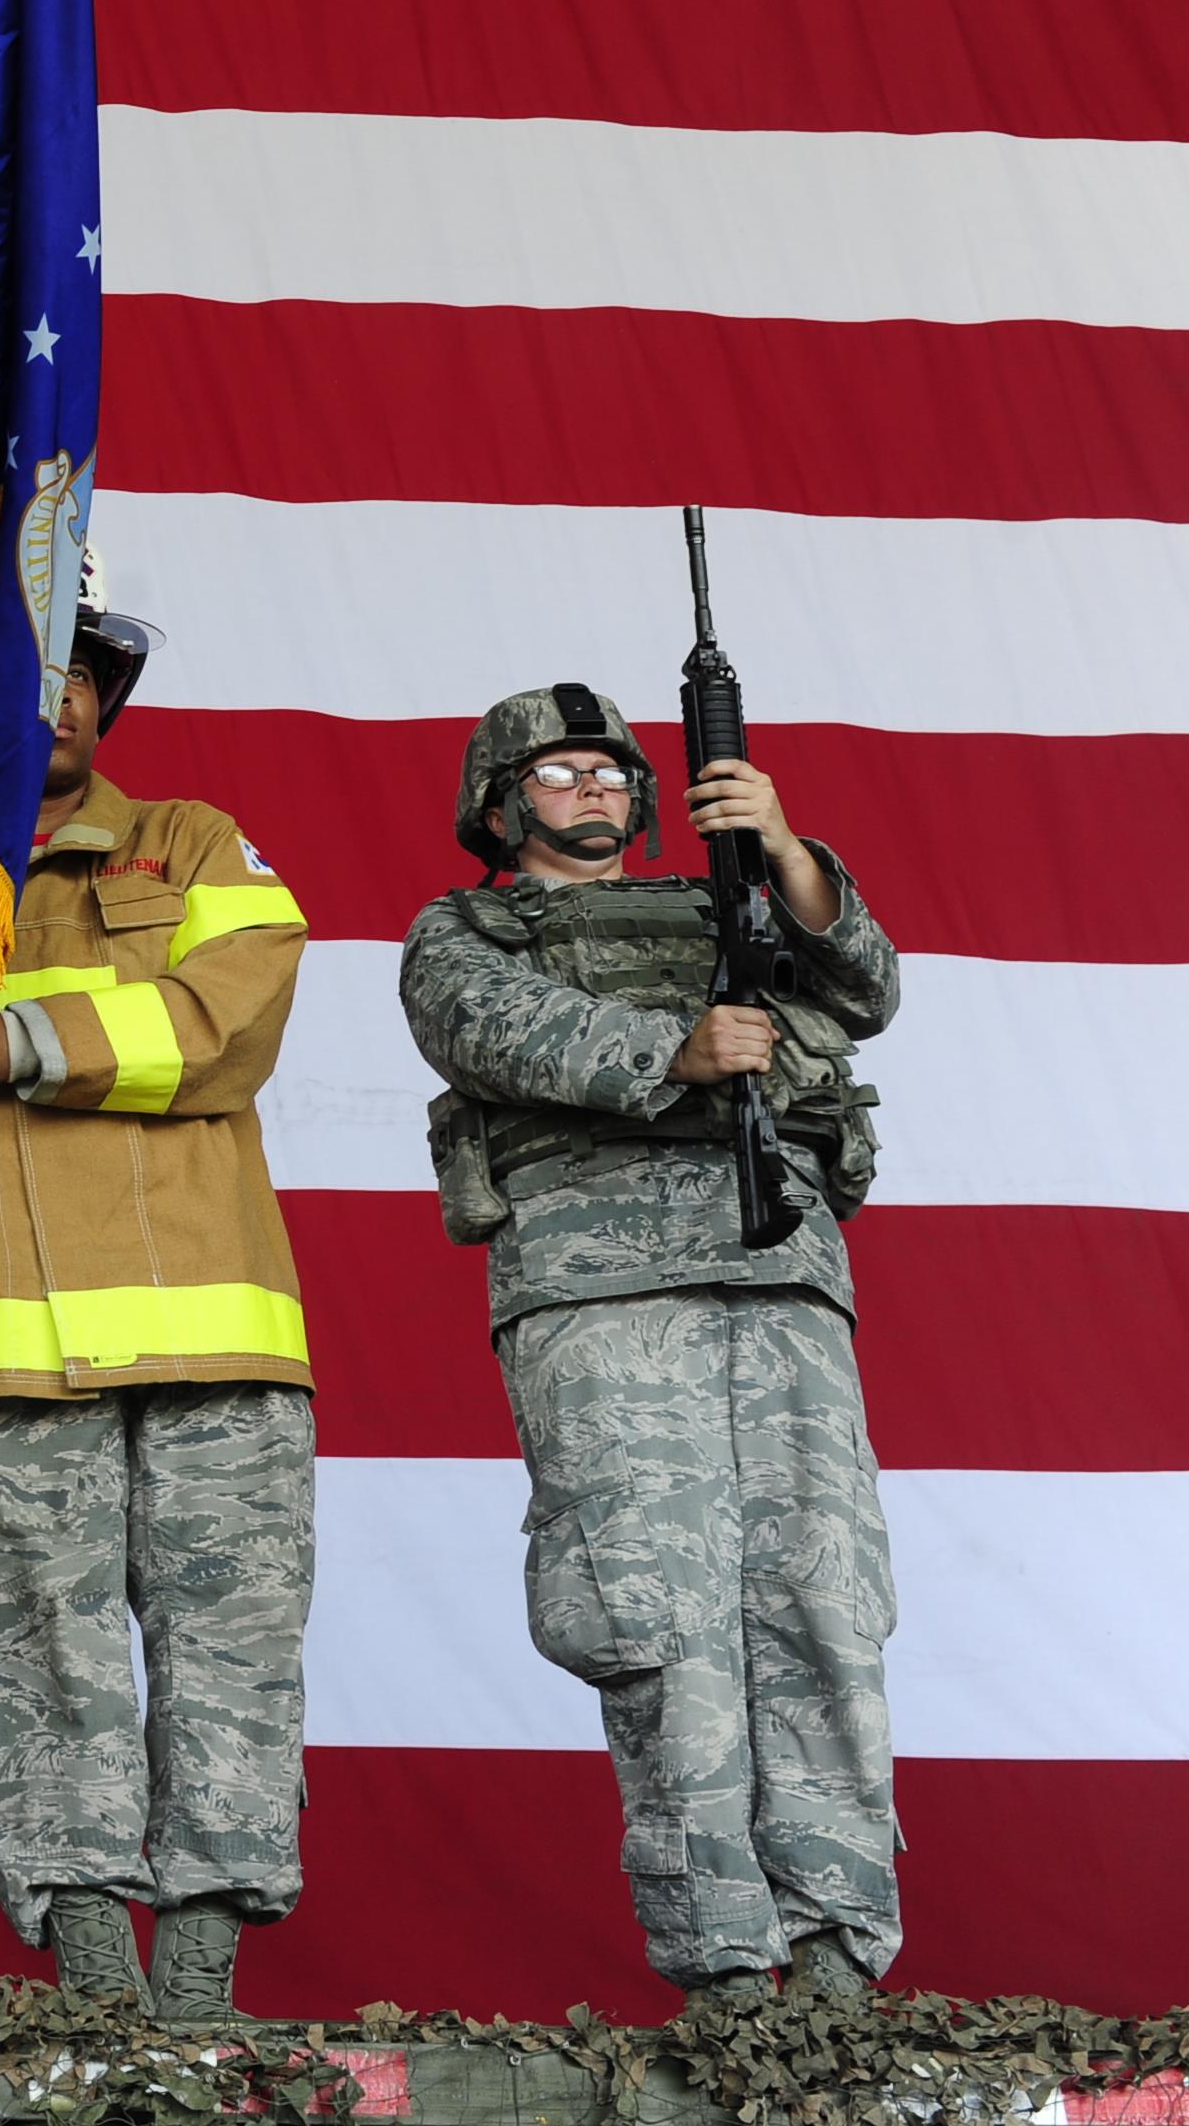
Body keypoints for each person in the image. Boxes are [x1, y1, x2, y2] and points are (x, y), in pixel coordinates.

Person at [0, 567, 313, 2016]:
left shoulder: (190, 843)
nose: (60, 694)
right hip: (11, 1355)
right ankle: (94, 1986)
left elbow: (234, 1018)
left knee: (233, 1669)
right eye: (26, 667)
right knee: (46, 1672)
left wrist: (18, 1043)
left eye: (82, 671)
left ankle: (199, 1992)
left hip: (217, 1346)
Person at [399, 688, 902, 2004]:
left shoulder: (730, 904)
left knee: (823, 1606)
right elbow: (487, 1025)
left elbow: (867, 985)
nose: (594, 789)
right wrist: (675, 1048)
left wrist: (782, 847)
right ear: (499, 803)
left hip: (780, 1277)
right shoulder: (467, 929)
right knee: (660, 1624)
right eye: (559, 772)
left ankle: (840, 1958)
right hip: (599, 1291)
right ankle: (725, 1966)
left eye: (612, 771)